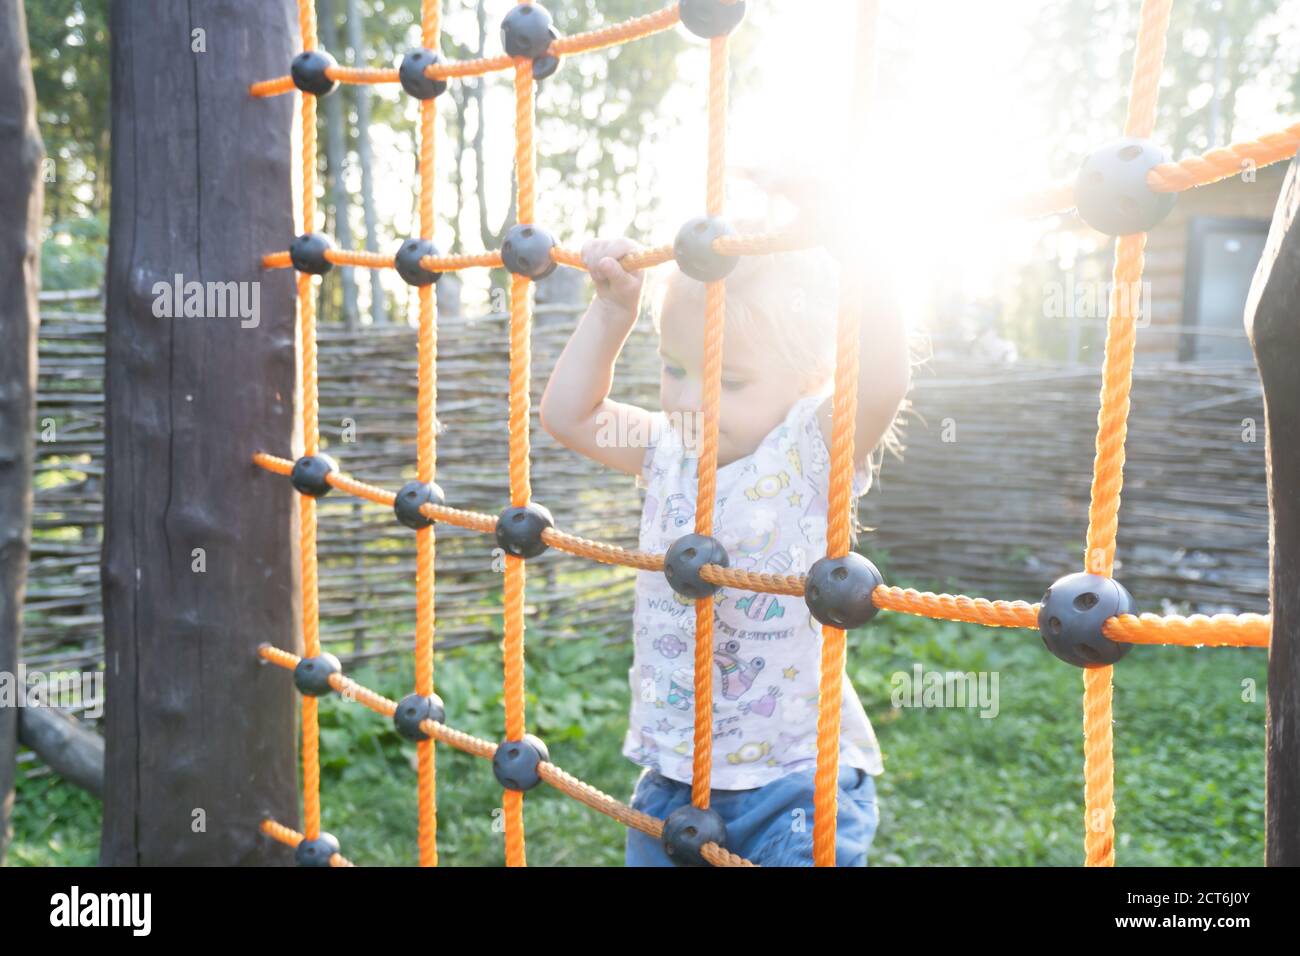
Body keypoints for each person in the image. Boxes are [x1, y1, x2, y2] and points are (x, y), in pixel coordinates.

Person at [539, 180, 911, 867]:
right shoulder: (665, 445)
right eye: (675, 369)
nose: (691, 398)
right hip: (676, 777)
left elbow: (883, 380)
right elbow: (570, 415)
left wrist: (863, 258)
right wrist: (612, 311)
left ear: (808, 380)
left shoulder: (810, 446)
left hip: (796, 782)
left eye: (729, 382)